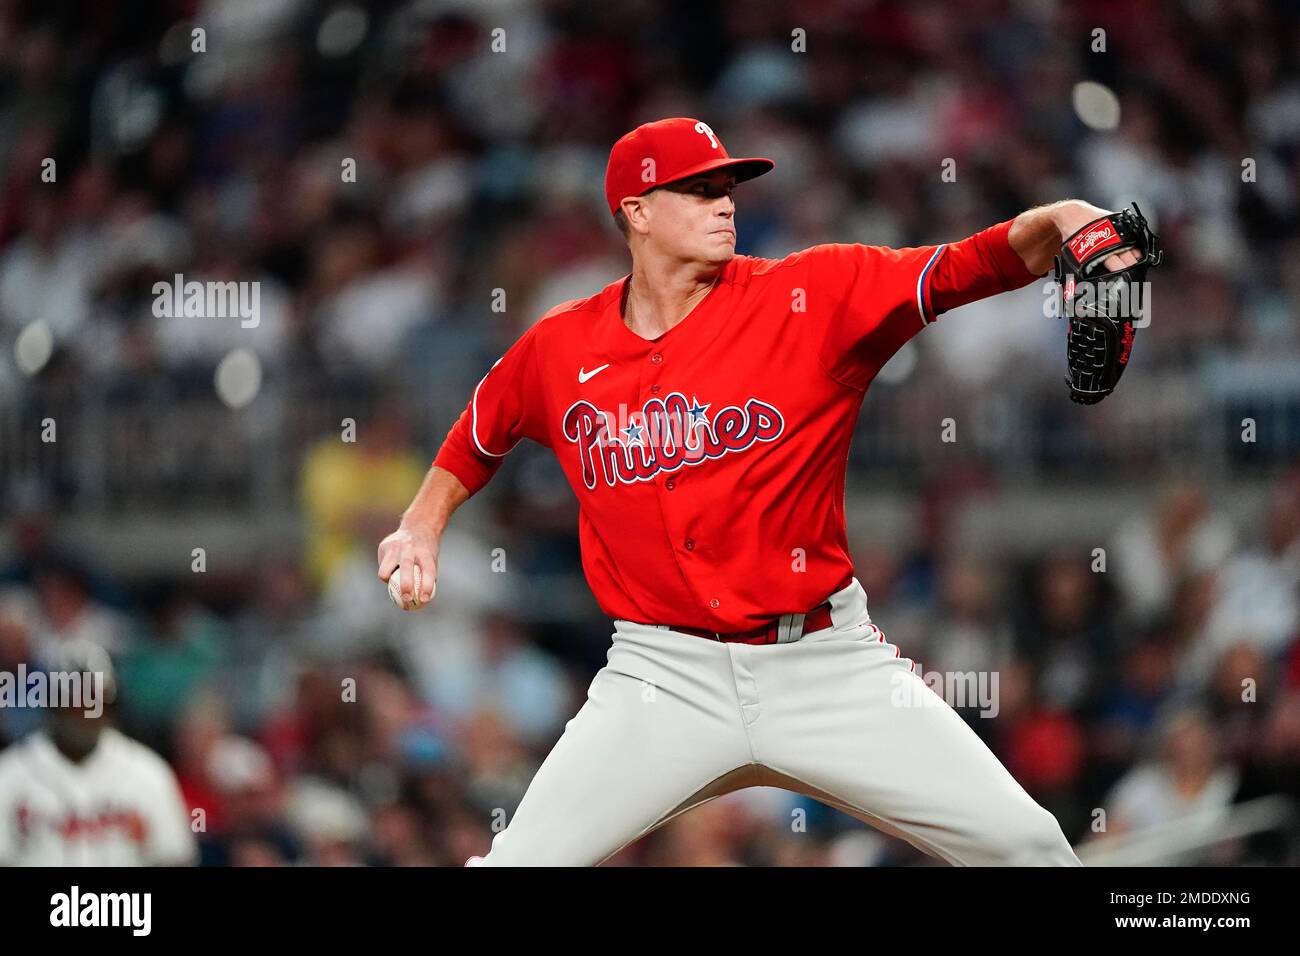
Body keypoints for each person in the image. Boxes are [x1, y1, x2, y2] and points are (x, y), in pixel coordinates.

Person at [378, 117, 1141, 866]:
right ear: (636, 213)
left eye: (729, 187)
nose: (725, 202)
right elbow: (481, 432)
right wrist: (422, 521)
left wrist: (1067, 218)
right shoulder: (560, 345)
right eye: (700, 188)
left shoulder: (812, 293)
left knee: (1029, 845)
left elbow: (967, 265)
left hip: (824, 663)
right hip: (660, 677)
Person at [0, 640, 197, 865]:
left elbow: (174, 857)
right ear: (52, 705)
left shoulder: (148, 772)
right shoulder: (9, 773)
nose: (84, 712)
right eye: (72, 701)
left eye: (94, 700)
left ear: (110, 706)